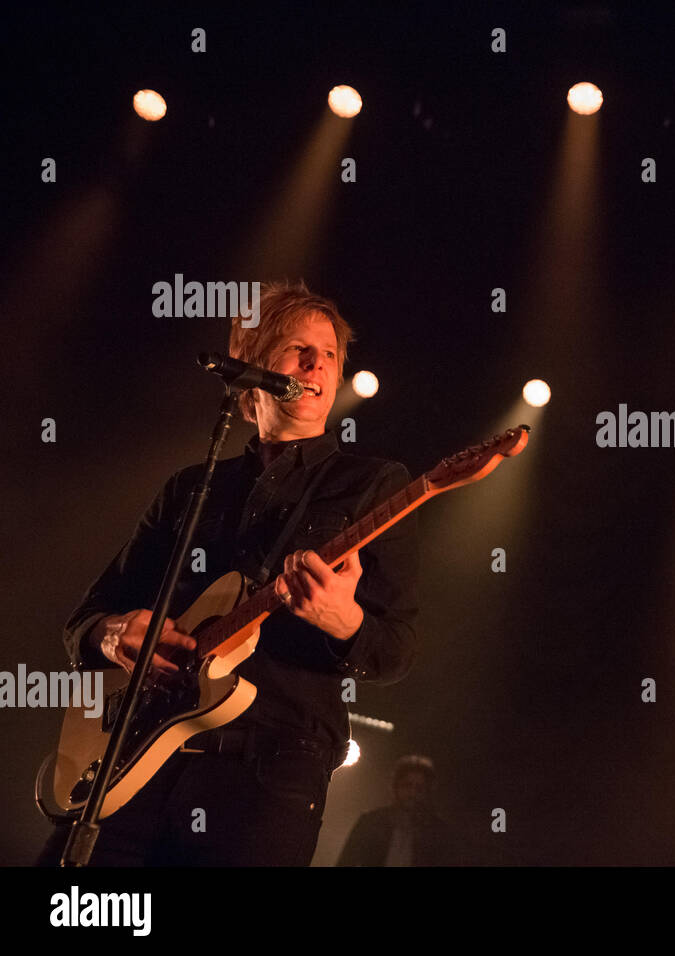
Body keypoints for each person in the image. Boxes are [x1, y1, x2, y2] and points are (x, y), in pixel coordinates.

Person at [37, 280, 420, 866]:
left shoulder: (373, 486)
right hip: (133, 755)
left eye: (331, 354)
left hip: (271, 767)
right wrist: (113, 635)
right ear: (252, 367)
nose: (317, 363)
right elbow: (83, 620)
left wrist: (342, 618)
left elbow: (394, 651)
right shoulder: (191, 486)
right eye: (298, 348)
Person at [336, 755, 459, 866]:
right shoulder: (371, 822)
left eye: (419, 788)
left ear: (427, 792)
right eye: (407, 785)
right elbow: (346, 862)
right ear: (395, 787)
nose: (412, 793)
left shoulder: (438, 832)